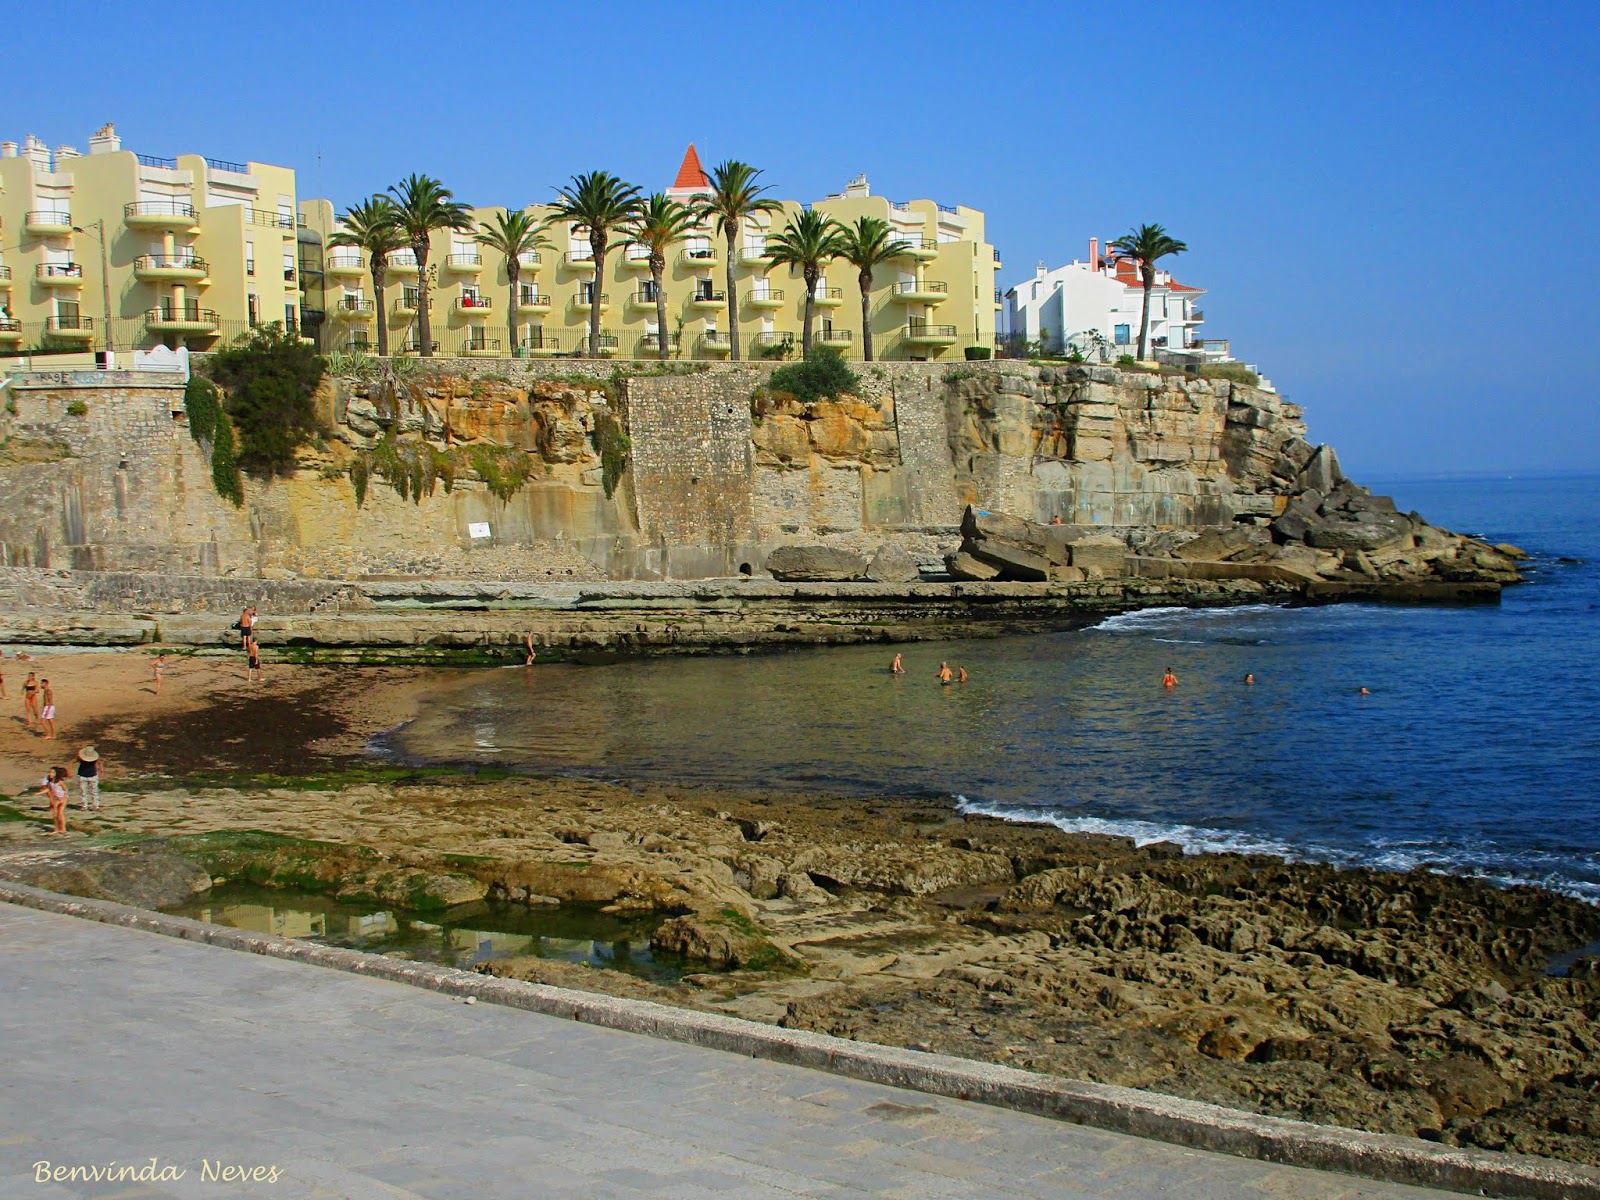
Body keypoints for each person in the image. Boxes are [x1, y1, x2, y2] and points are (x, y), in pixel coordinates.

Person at [41, 767, 68, 835]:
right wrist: (39, 793)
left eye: (52, 772)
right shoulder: (50, 783)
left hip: (62, 799)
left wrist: (63, 797)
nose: (50, 774)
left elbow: (65, 789)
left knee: (60, 814)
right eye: (50, 772)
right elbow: (48, 789)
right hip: (56, 799)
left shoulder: (59, 782)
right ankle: (56, 829)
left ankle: (63, 828)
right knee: (55, 814)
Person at [75, 745, 102, 811]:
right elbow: (71, 762)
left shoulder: (95, 759)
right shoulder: (80, 758)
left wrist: (101, 770)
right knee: (83, 792)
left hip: (92, 775)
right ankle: (84, 805)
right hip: (83, 776)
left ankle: (96, 806)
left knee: (94, 791)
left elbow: (100, 763)